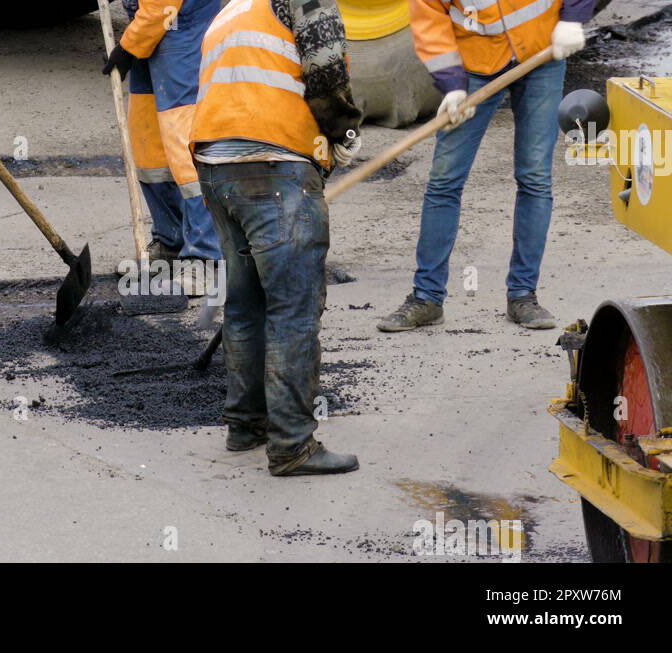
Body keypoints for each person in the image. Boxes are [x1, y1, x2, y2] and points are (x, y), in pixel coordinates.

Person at [190, 0, 363, 476]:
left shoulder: (230, 9)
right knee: (293, 308)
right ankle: (292, 445)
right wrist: (345, 132)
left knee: (245, 304)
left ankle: (246, 425)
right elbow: (326, 73)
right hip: (273, 167)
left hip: (214, 167)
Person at [377, 0, 593, 332]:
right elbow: (429, 16)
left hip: (541, 52)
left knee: (535, 177)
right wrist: (451, 85)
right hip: (476, 63)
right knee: (444, 180)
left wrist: (573, 17)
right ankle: (427, 298)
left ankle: (523, 295)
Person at [104, 0, 223, 292]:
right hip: (148, 20)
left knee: (184, 141)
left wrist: (129, 46)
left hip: (183, 26)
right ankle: (171, 243)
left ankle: (205, 257)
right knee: (148, 141)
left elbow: (162, 4)